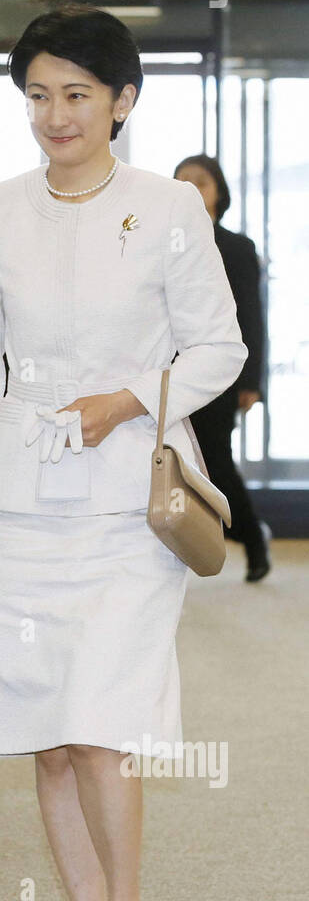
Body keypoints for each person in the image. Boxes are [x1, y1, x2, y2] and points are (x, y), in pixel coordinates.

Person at [0, 6, 247, 901]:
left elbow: (220, 350)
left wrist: (128, 399)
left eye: (78, 94)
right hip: (24, 505)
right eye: (38, 95)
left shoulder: (168, 208)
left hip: (125, 501)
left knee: (103, 726)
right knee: (49, 736)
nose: (55, 115)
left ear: (123, 101)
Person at [174, 154, 270, 582]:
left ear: (219, 192)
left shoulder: (236, 246)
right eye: (182, 181)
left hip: (218, 375)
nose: (192, 188)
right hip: (168, 374)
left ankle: (253, 539)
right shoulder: (167, 241)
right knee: (170, 463)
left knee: (217, 463)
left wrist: (251, 381)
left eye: (201, 182)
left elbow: (251, 316)